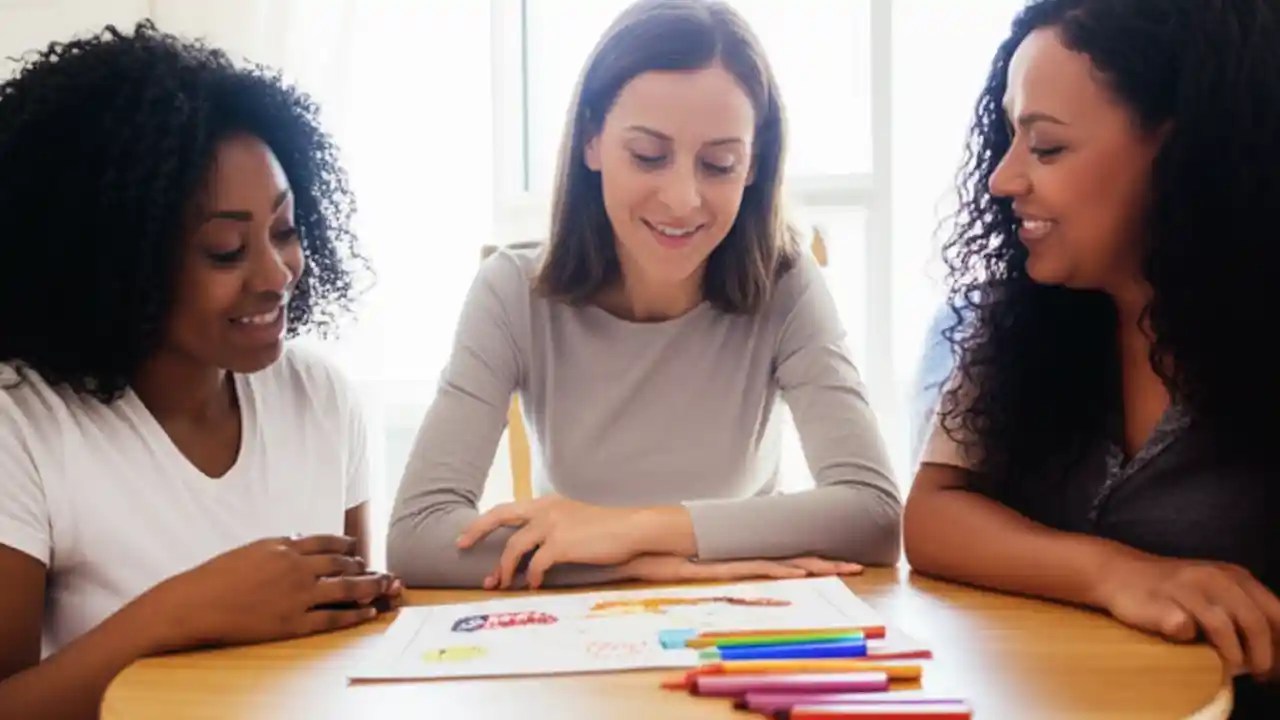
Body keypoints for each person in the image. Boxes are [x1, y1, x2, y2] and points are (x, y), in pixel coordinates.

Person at [389, 0, 900, 592]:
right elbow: (418, 534)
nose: (683, 198)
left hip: (739, 624)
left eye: (719, 163)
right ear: (591, 142)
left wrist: (633, 530)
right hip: (581, 637)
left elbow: (873, 514)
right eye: (648, 156)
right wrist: (632, 565)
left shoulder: (785, 283)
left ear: (754, 165)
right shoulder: (512, 291)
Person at [0, 22, 400, 718]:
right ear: (117, 263)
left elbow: (346, 645)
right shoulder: (24, 427)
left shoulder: (320, 398)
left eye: (284, 229)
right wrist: (177, 615)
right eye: (224, 250)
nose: (277, 275)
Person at [902, 0, 1279, 714]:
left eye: (1046, 149)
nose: (1003, 180)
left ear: (1185, 153)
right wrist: (1115, 573)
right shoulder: (1021, 313)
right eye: (1010, 140)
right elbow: (933, 516)